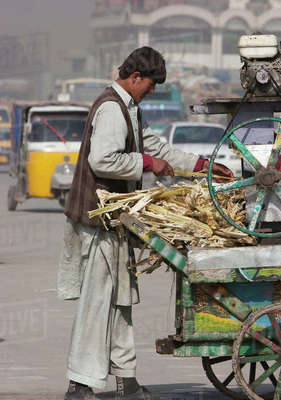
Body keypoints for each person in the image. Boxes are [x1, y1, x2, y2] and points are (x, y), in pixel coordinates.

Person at [57, 47, 233, 400]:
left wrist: (202, 165)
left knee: (120, 301)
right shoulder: (111, 109)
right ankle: (79, 383)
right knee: (97, 304)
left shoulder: (131, 110)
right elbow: (103, 160)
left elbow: (159, 150)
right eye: (151, 86)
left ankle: (128, 379)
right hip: (98, 222)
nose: (152, 92)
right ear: (135, 78)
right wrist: (147, 163)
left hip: (116, 223)